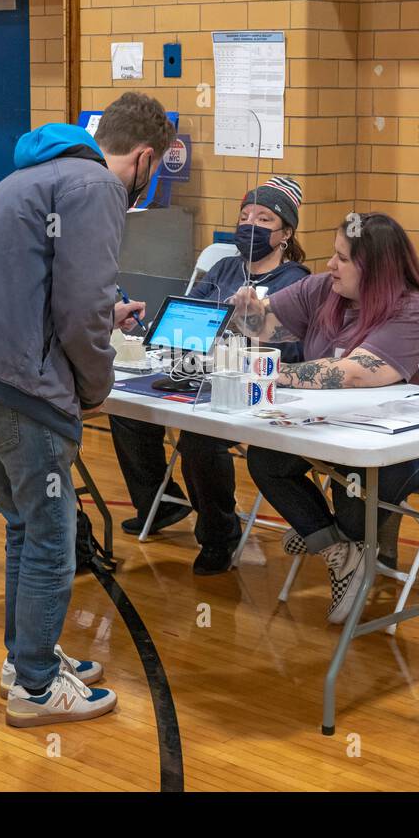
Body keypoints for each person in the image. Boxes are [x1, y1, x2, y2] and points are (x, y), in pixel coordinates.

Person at [0, 92, 176, 727]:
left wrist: (93, 321)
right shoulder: (96, 187)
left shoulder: (29, 175)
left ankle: (24, 657)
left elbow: (37, 291)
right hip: (19, 386)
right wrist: (95, 387)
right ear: (145, 158)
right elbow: (81, 310)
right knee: (53, 539)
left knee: (23, 527)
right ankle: (35, 688)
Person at [234, 212, 419, 623]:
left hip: (405, 444)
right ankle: (338, 548)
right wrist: (248, 314)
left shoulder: (414, 311)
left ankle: (329, 535)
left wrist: (272, 374)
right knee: (266, 458)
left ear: (375, 270)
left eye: (342, 259)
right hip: (334, 430)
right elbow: (266, 329)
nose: (330, 265)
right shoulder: (323, 290)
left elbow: (355, 373)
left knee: (354, 495)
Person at [109, 177, 310, 575]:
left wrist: (248, 321)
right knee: (127, 412)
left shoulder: (295, 281)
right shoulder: (223, 267)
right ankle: (160, 503)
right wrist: (152, 334)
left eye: (265, 218)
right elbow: (189, 314)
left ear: (286, 233)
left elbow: (289, 347)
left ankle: (219, 533)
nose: (250, 223)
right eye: (245, 215)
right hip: (196, 368)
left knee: (200, 438)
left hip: (254, 381)